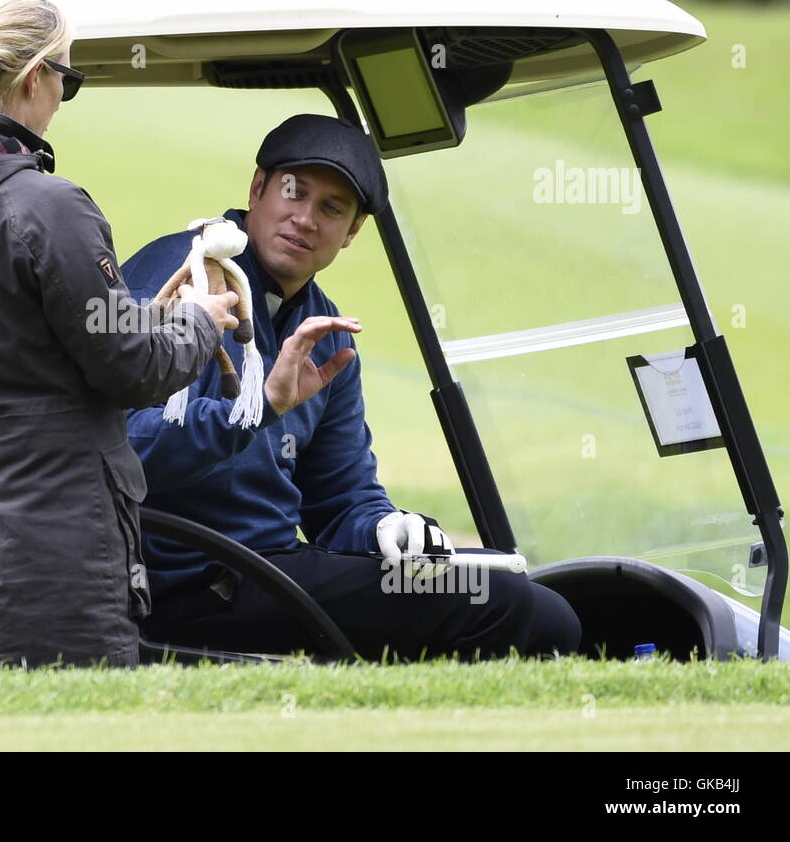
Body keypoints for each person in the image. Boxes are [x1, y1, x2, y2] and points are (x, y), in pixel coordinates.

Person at [0, 0, 238, 670]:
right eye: (69, 77)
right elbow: (132, 369)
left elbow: (11, 351)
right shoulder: (46, 205)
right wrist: (199, 321)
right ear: (37, 77)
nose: (64, 97)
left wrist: (142, 319)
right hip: (52, 561)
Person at [121, 114, 582, 660]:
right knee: (511, 607)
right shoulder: (182, 279)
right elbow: (127, 452)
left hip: (267, 569)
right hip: (188, 585)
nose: (305, 218)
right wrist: (259, 408)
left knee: (516, 596)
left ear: (353, 231)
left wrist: (388, 528)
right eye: (294, 192)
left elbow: (339, 499)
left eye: (332, 209)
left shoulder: (322, 325)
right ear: (257, 188)